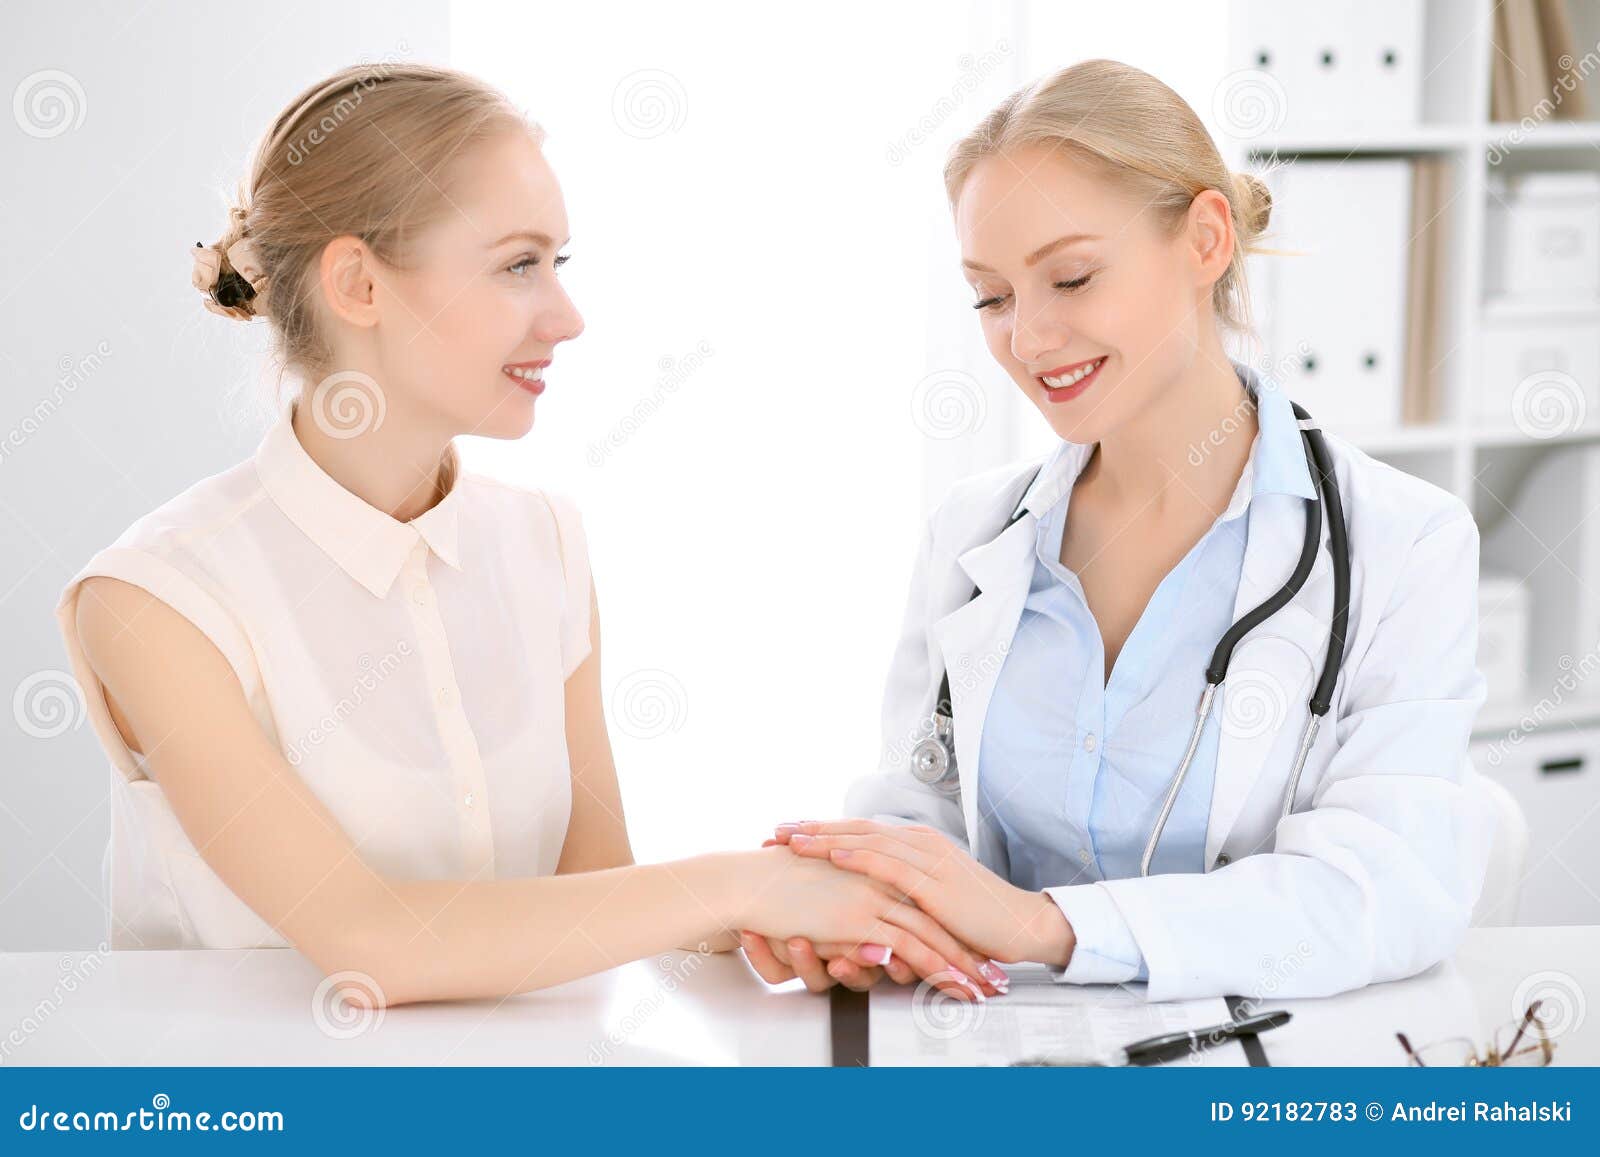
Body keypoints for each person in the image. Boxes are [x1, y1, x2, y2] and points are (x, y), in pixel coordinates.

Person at [53, 63, 1005, 1008]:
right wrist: (742, 885)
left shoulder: (541, 541)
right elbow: (370, 942)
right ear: (358, 283)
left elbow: (588, 887)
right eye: (517, 264)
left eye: (560, 264)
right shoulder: (155, 600)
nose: (568, 315)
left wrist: (809, 915)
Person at [772, 59, 1493, 1002]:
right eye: (991, 297)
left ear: (1204, 240)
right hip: (995, 1054)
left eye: (1070, 278)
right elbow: (922, 804)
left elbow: (1384, 888)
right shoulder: (975, 535)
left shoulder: (1405, 543)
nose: (1027, 340)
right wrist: (864, 912)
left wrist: (1051, 926)